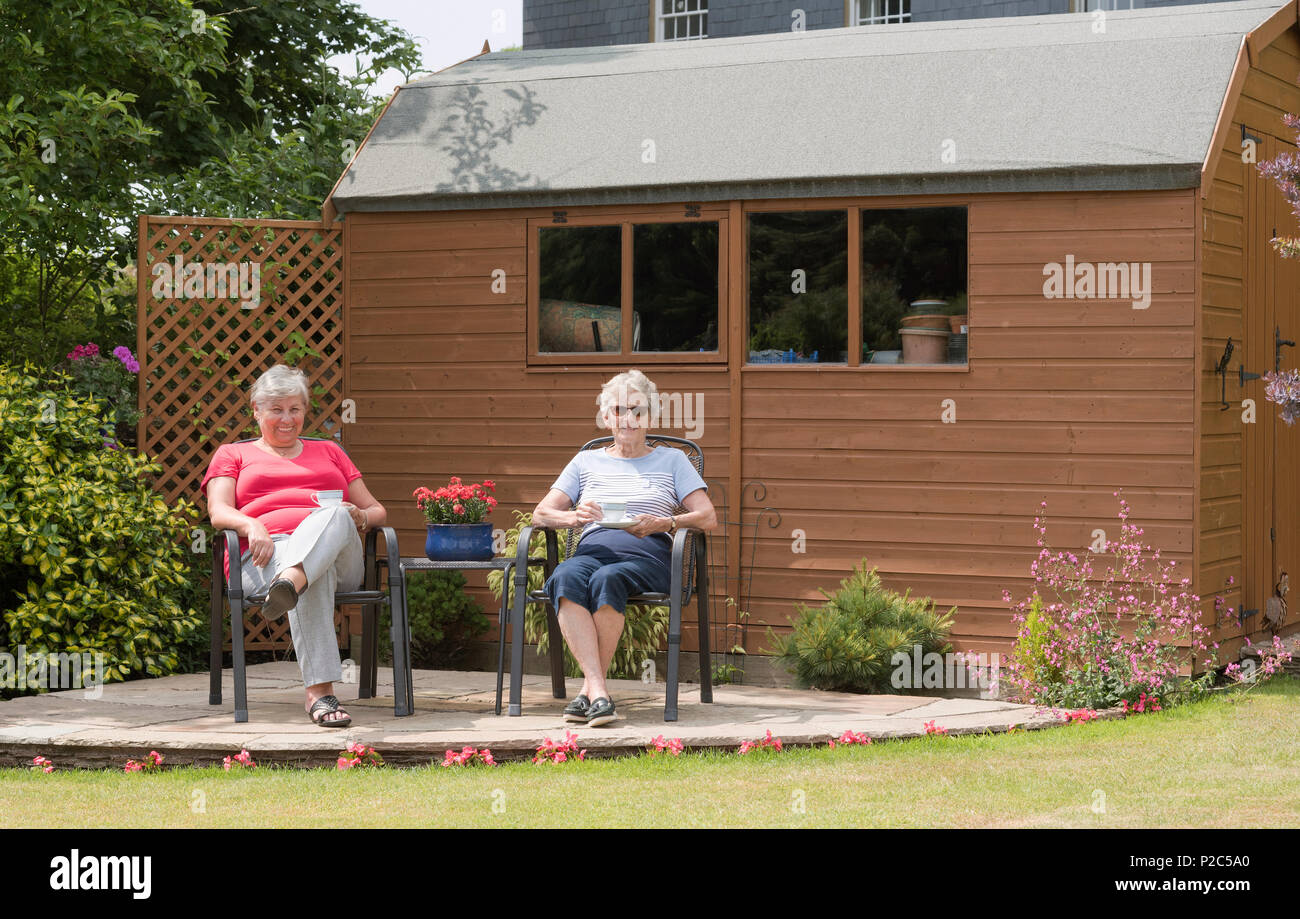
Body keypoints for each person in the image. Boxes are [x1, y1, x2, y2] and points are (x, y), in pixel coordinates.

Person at [200, 364, 387, 727]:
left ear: (305, 410)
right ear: (256, 410)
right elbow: (218, 511)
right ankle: (319, 694)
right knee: (309, 575)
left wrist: (360, 518)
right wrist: (250, 523)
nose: (287, 419)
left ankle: (292, 579)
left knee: (333, 515)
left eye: (295, 409)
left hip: (338, 557)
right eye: (276, 409)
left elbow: (377, 510)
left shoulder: (330, 451)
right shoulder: (231, 455)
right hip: (265, 557)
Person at [530, 369, 717, 726]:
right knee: (565, 576)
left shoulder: (674, 460)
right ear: (605, 417)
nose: (627, 418)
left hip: (649, 551)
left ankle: (590, 694)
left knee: (608, 579)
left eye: (637, 410)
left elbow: (707, 516)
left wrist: (667, 523)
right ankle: (598, 692)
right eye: (618, 409)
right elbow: (542, 512)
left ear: (651, 416)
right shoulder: (586, 461)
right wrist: (573, 518)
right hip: (593, 548)